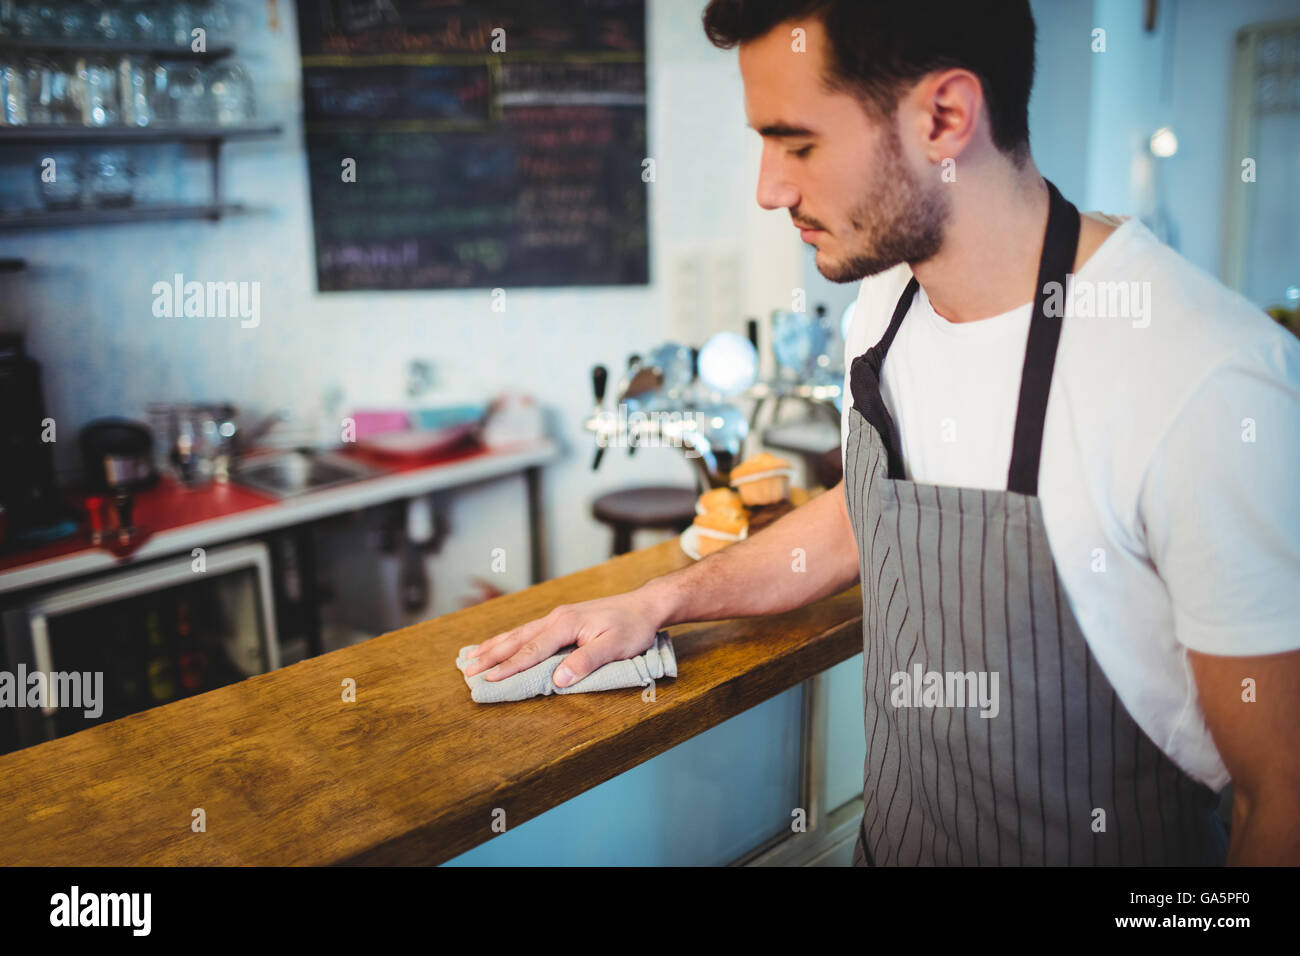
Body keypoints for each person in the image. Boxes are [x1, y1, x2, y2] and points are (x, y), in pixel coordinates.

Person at [464, 0, 1300, 865]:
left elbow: (1284, 802)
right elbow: (868, 508)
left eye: (799, 143)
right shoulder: (886, 304)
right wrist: (659, 601)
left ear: (945, 116)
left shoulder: (1207, 380)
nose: (769, 188)